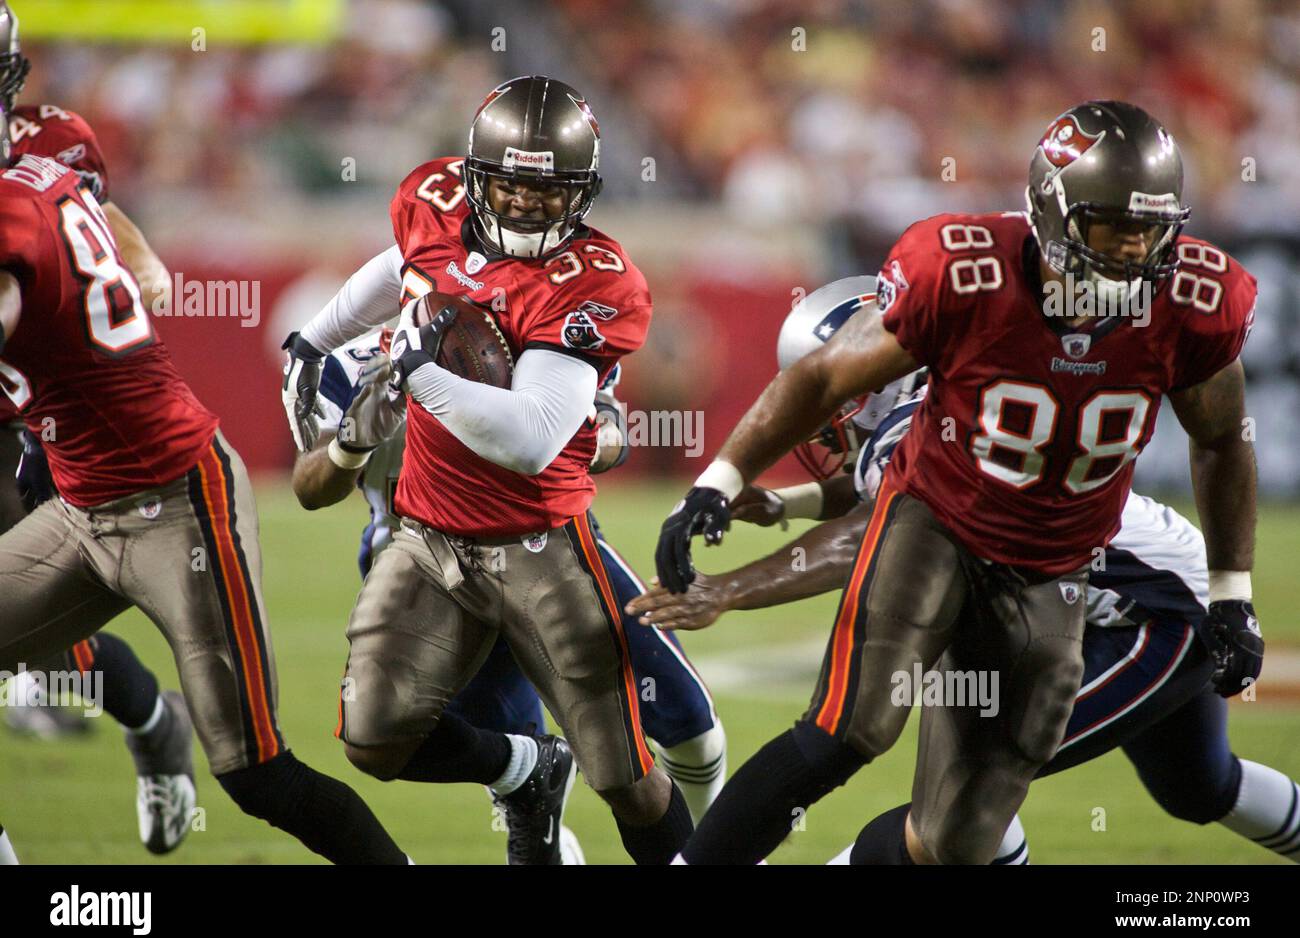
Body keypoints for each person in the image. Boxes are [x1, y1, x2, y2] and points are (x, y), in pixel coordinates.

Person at [655, 101, 1263, 864]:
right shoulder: (964, 271)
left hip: (1072, 572)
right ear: (1053, 210)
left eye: (1152, 227)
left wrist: (1234, 591)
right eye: (1113, 225)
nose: (1137, 247)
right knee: (851, 726)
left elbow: (1222, 441)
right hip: (936, 528)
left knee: (961, 832)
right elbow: (821, 390)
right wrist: (720, 481)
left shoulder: (1193, 299)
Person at [279, 76, 694, 864]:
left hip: (539, 539)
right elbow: (401, 263)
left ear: (582, 194)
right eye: (511, 185)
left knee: (627, 776)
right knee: (371, 736)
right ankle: (531, 770)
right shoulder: (432, 204)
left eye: (549, 192)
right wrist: (317, 334)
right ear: (474, 179)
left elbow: (532, 438)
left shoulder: (595, 279)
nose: (528, 206)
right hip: (428, 535)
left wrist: (415, 372)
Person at [0, 105, 408, 864]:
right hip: (81, 505)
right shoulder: (42, 174)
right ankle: (154, 730)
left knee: (256, 772)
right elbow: (95, 212)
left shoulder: (15, 205)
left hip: (177, 499)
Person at [293, 334, 725, 861]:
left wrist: (590, 437)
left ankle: (730, 848)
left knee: (684, 726)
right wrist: (349, 443)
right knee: (483, 766)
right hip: (430, 573)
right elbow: (310, 487)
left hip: (551, 546)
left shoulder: (544, 324)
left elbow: (610, 432)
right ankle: (540, 808)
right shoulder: (352, 364)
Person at [0, 2, 195, 855]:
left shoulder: (49, 140)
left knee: (45, 651)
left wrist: (144, 258)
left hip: (31, 415)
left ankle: (155, 725)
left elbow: (90, 214)